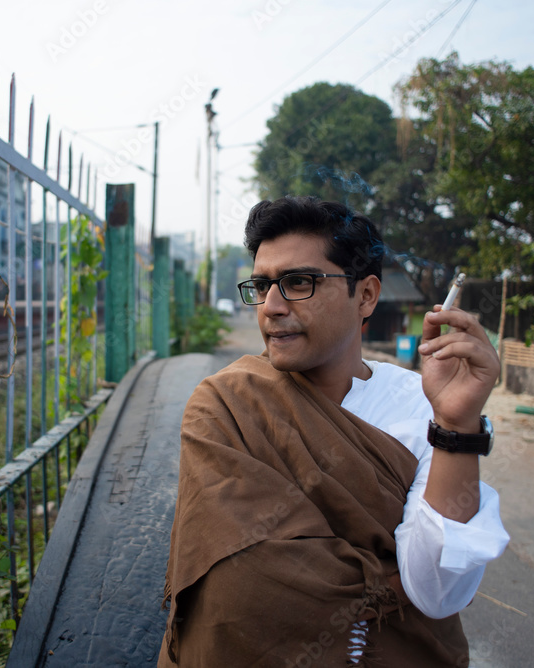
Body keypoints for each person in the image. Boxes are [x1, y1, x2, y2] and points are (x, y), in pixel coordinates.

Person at [158, 196, 509, 667]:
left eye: (298, 282)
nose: (271, 308)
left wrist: (457, 425)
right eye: (261, 287)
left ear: (365, 295)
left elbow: (438, 593)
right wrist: (390, 579)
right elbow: (243, 582)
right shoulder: (226, 405)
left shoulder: (422, 407)